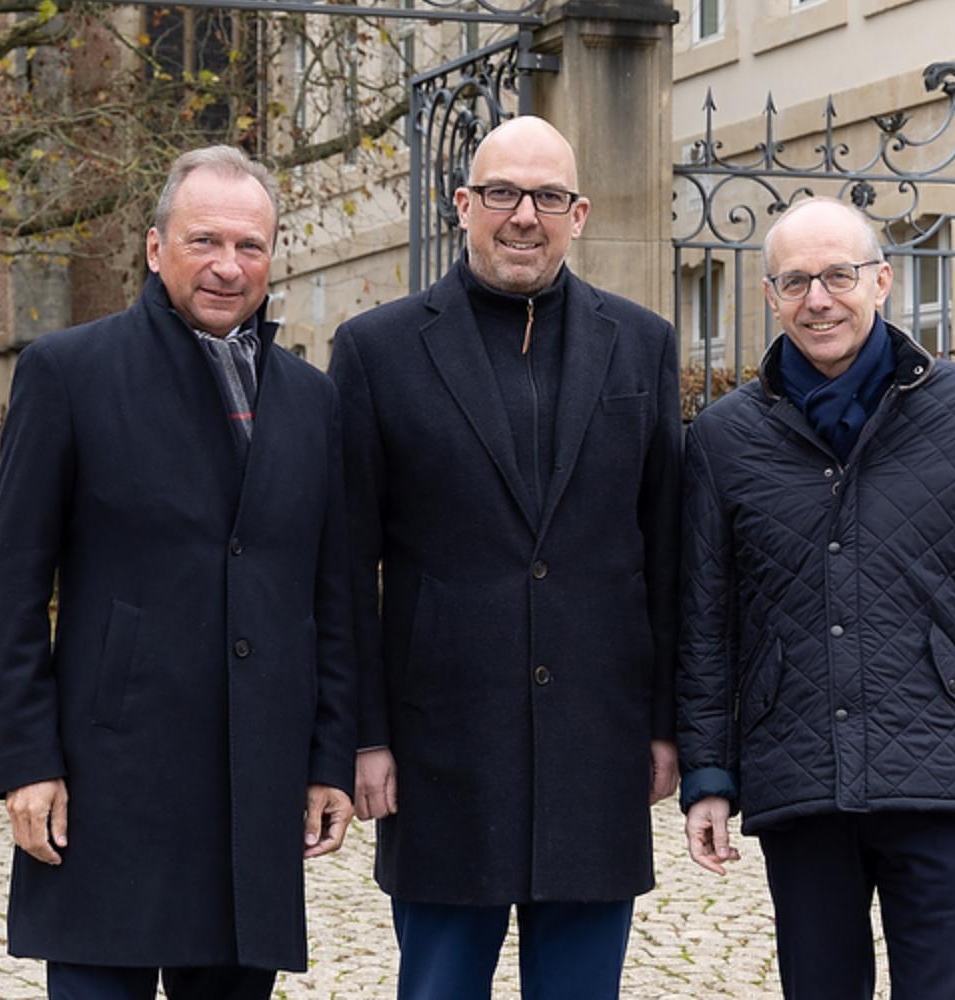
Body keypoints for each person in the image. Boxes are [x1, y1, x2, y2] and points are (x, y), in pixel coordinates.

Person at [676, 196, 955, 1000]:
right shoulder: (723, 438)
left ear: (882, 281)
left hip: (941, 765)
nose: (818, 299)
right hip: (798, 770)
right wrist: (709, 772)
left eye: (838, 276)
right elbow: (705, 620)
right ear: (771, 296)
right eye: (796, 281)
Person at [0, 146, 356, 1000]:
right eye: (205, 241)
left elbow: (330, 595)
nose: (229, 265)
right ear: (156, 248)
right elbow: (14, 590)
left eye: (250, 245)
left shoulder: (311, 398)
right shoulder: (68, 372)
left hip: (254, 783)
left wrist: (329, 757)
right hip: (109, 779)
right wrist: (28, 762)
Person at [328, 115, 682, 1000]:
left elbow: (668, 550)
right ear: (463, 205)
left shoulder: (642, 343)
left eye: (548, 197)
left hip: (596, 747)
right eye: (502, 193)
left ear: (579, 214)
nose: (524, 215)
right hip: (440, 752)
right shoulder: (376, 350)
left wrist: (666, 724)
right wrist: (363, 736)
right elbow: (345, 567)